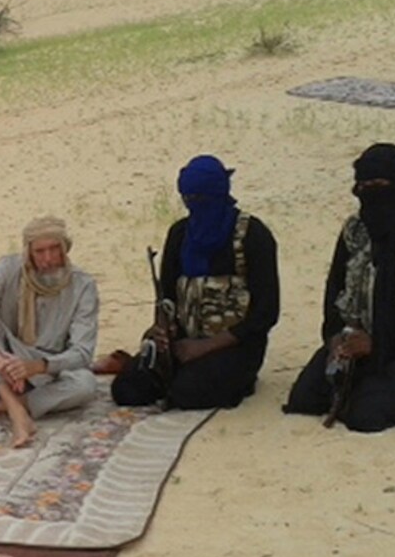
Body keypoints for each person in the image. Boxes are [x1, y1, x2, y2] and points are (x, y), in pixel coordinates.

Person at [284, 143, 395, 431]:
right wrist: (336, 337)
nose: (368, 193)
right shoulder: (355, 229)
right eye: (362, 185)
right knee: (305, 398)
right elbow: (336, 288)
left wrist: (378, 345)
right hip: (355, 341)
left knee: (365, 416)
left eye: (378, 185)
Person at [112, 155, 280, 410]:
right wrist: (163, 331)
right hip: (183, 341)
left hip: (235, 343)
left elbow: (266, 312)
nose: (193, 206)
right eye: (187, 199)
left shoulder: (253, 236)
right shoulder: (180, 234)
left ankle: (240, 379)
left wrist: (205, 347)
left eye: (200, 199)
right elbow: (168, 295)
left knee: (187, 392)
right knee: (128, 389)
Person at [0, 216, 99, 447]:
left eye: (54, 249)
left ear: (65, 249)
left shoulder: (83, 286)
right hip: (7, 360)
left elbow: (82, 353)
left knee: (86, 386)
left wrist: (35, 367)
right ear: (28, 252)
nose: (48, 259)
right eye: (40, 251)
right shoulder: (9, 268)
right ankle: (15, 409)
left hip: (48, 367)